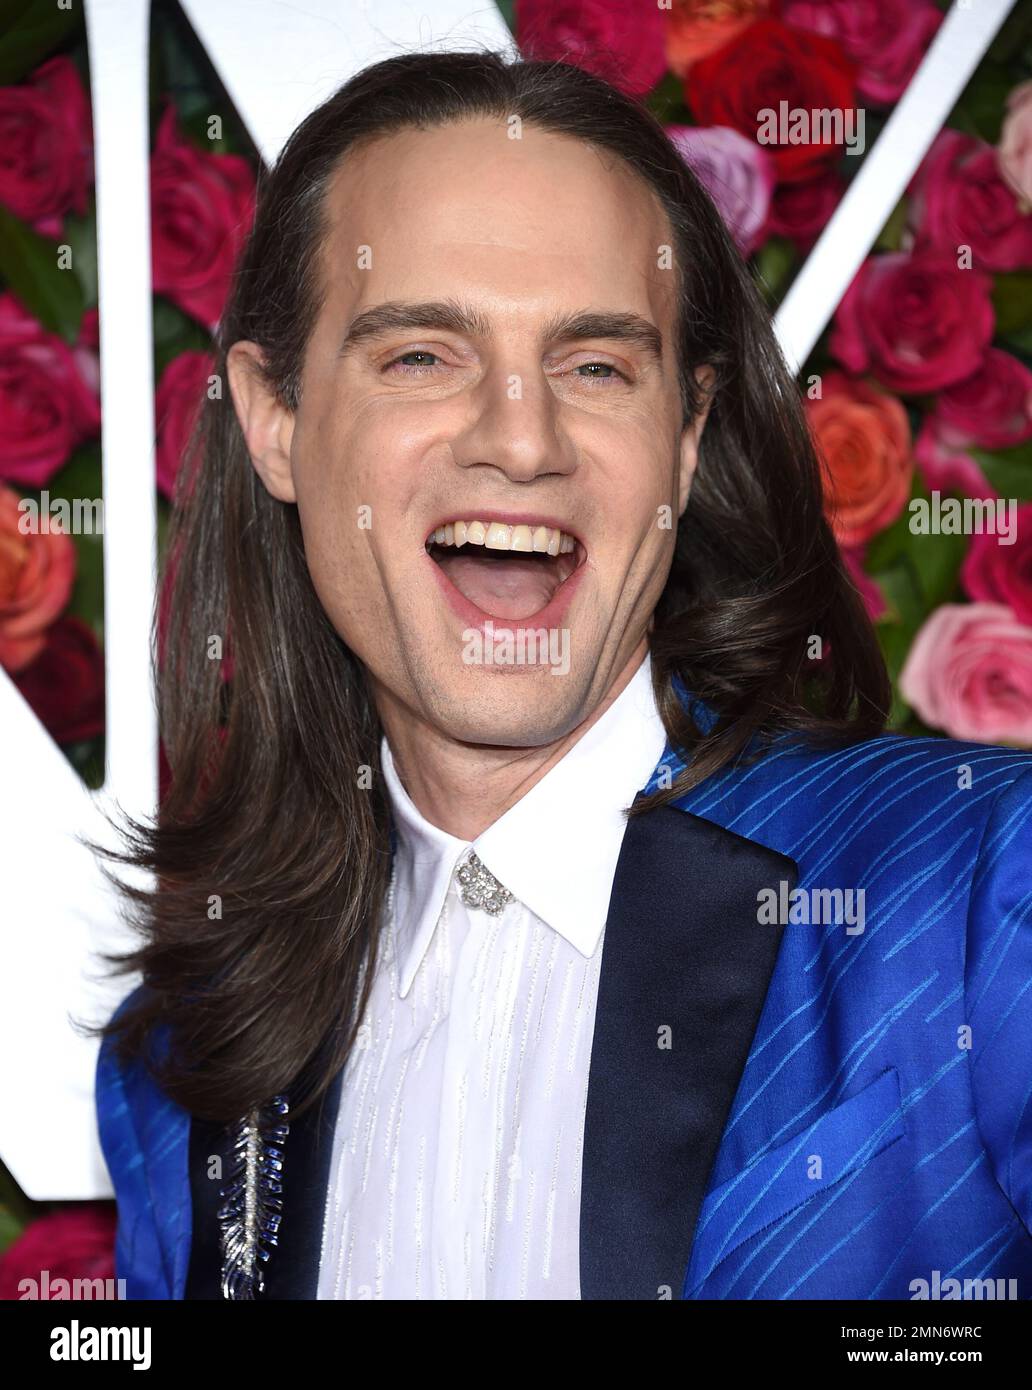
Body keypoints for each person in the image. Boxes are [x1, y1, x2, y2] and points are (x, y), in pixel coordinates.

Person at [93, 49, 1032, 1301]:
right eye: (422, 355)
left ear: (687, 438)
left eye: (596, 367)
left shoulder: (975, 890)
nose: (523, 439)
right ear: (274, 421)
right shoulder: (183, 1067)